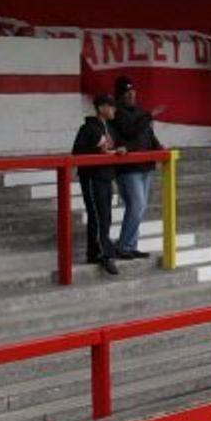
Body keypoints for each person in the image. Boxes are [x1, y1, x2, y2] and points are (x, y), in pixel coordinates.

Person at [111, 76, 164, 261]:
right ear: (121, 95)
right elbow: (130, 131)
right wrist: (149, 116)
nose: (132, 94)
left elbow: (147, 133)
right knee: (137, 206)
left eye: (133, 91)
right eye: (127, 92)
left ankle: (131, 245)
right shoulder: (117, 113)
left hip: (145, 166)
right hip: (128, 169)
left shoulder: (140, 112)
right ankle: (123, 245)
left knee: (138, 208)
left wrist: (159, 147)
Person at [72, 95, 120, 276]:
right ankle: (103, 254)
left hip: (107, 176)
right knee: (98, 215)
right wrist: (96, 148)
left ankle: (95, 252)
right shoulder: (87, 129)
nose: (114, 110)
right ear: (101, 108)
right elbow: (76, 152)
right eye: (111, 106)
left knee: (105, 215)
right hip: (92, 177)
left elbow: (113, 147)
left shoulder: (110, 128)